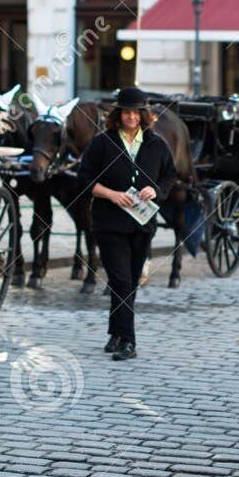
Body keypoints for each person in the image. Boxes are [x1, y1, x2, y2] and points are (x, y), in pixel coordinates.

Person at [77, 87, 176, 361]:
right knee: (120, 280)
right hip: (108, 223)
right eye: (126, 112)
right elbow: (84, 180)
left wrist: (155, 190)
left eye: (136, 112)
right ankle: (128, 342)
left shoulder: (157, 144)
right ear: (117, 114)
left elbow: (170, 176)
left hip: (142, 224)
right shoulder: (102, 143)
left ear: (144, 115)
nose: (131, 117)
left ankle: (115, 332)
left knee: (129, 281)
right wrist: (111, 194)